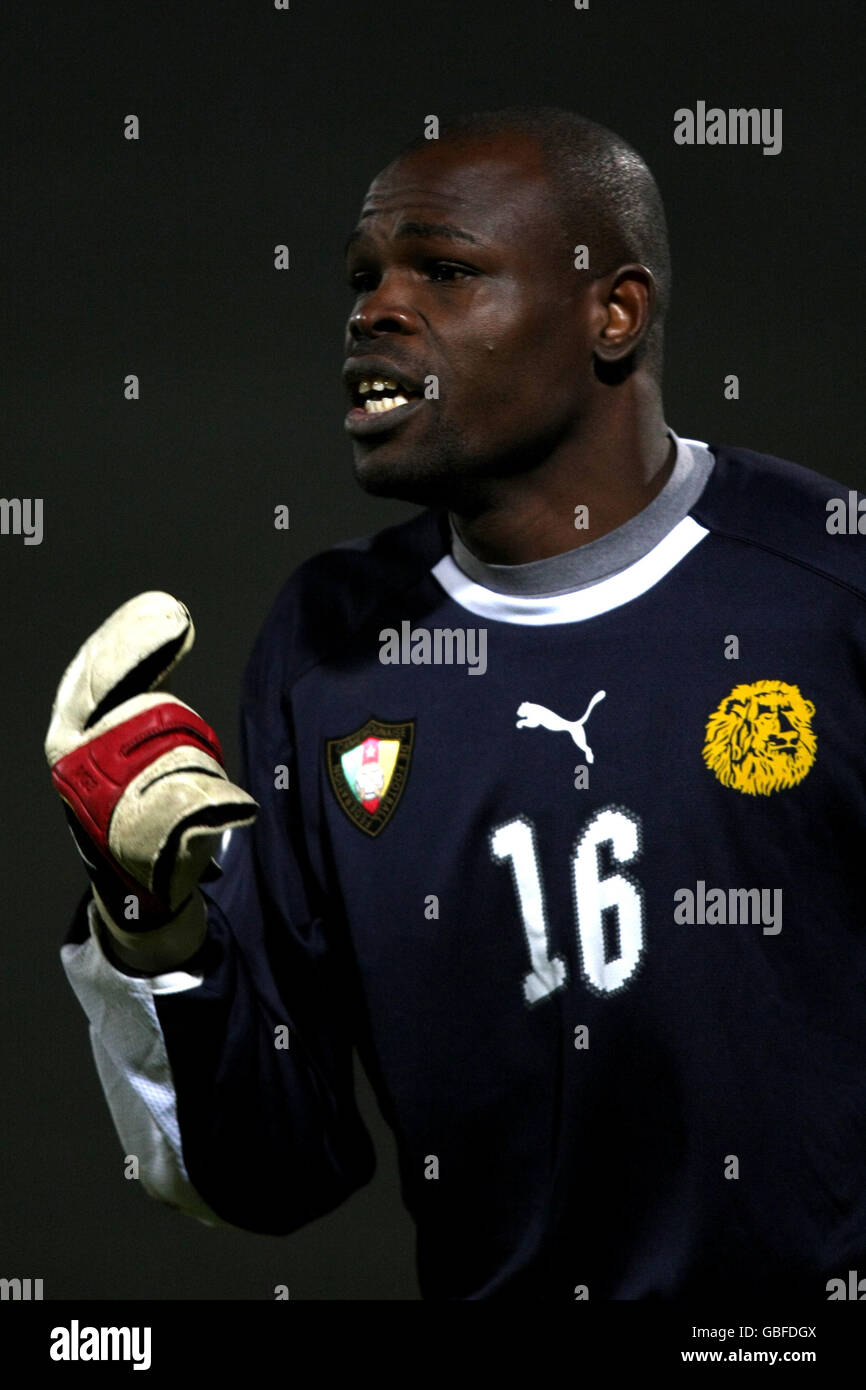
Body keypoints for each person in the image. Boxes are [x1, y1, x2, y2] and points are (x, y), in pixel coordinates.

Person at [46, 106, 866, 1300]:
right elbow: (277, 1168)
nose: (376, 308)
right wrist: (150, 932)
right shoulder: (328, 644)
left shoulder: (829, 588)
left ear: (612, 312)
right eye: (363, 276)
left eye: (443, 269)